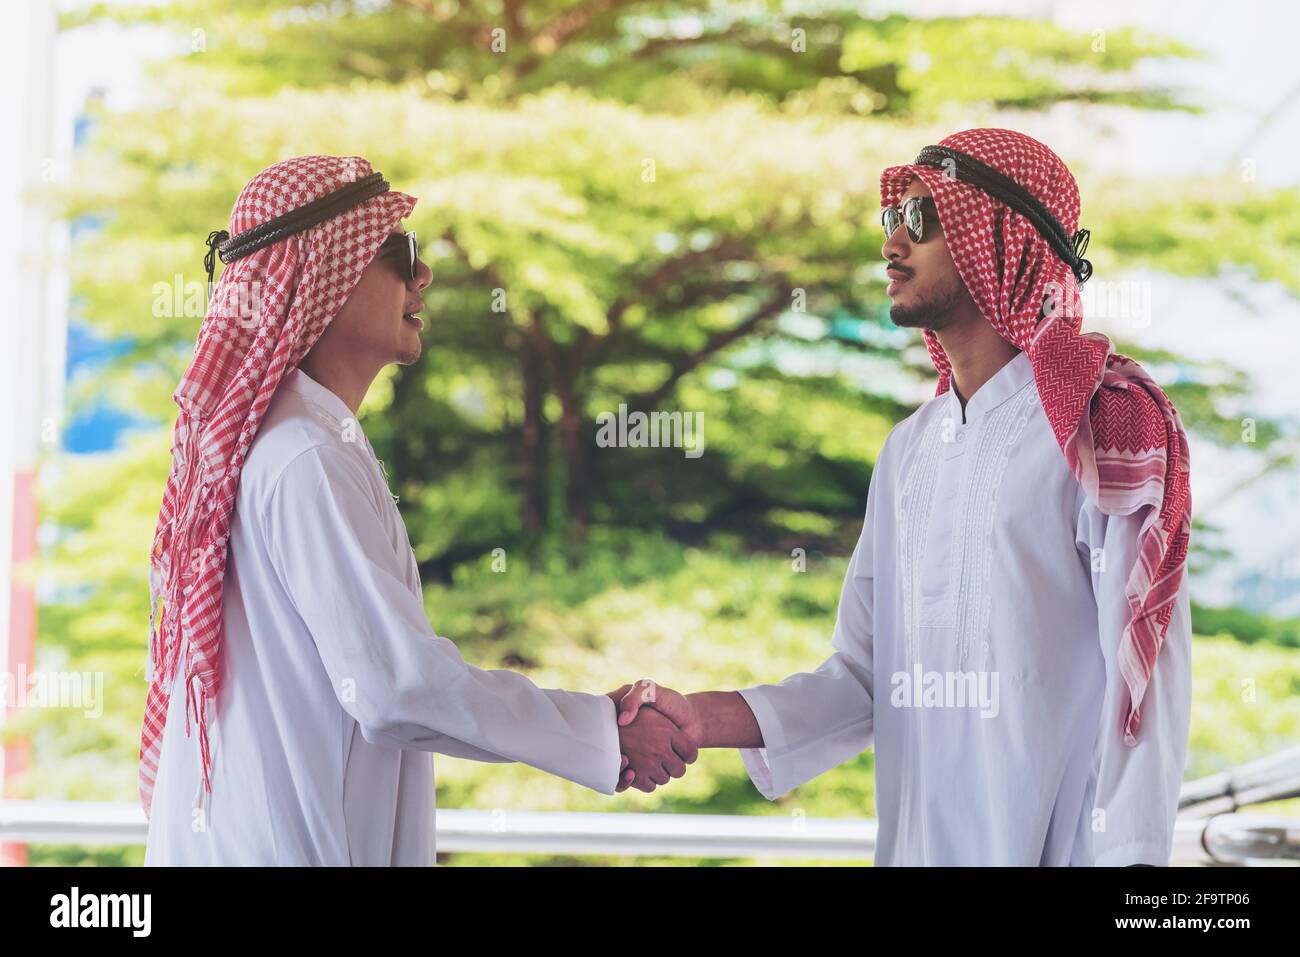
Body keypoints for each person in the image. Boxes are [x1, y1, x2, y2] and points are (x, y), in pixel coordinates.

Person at [615, 128, 1194, 867]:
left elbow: (1144, 689)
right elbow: (861, 679)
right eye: (892, 221)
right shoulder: (907, 453)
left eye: (921, 219)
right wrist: (698, 716)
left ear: (1002, 237)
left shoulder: (1100, 424)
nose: (892, 245)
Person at [140, 155, 693, 865]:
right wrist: (602, 732)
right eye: (399, 251)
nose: (423, 275)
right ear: (325, 275)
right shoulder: (305, 458)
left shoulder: (295, 442)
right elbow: (397, 686)